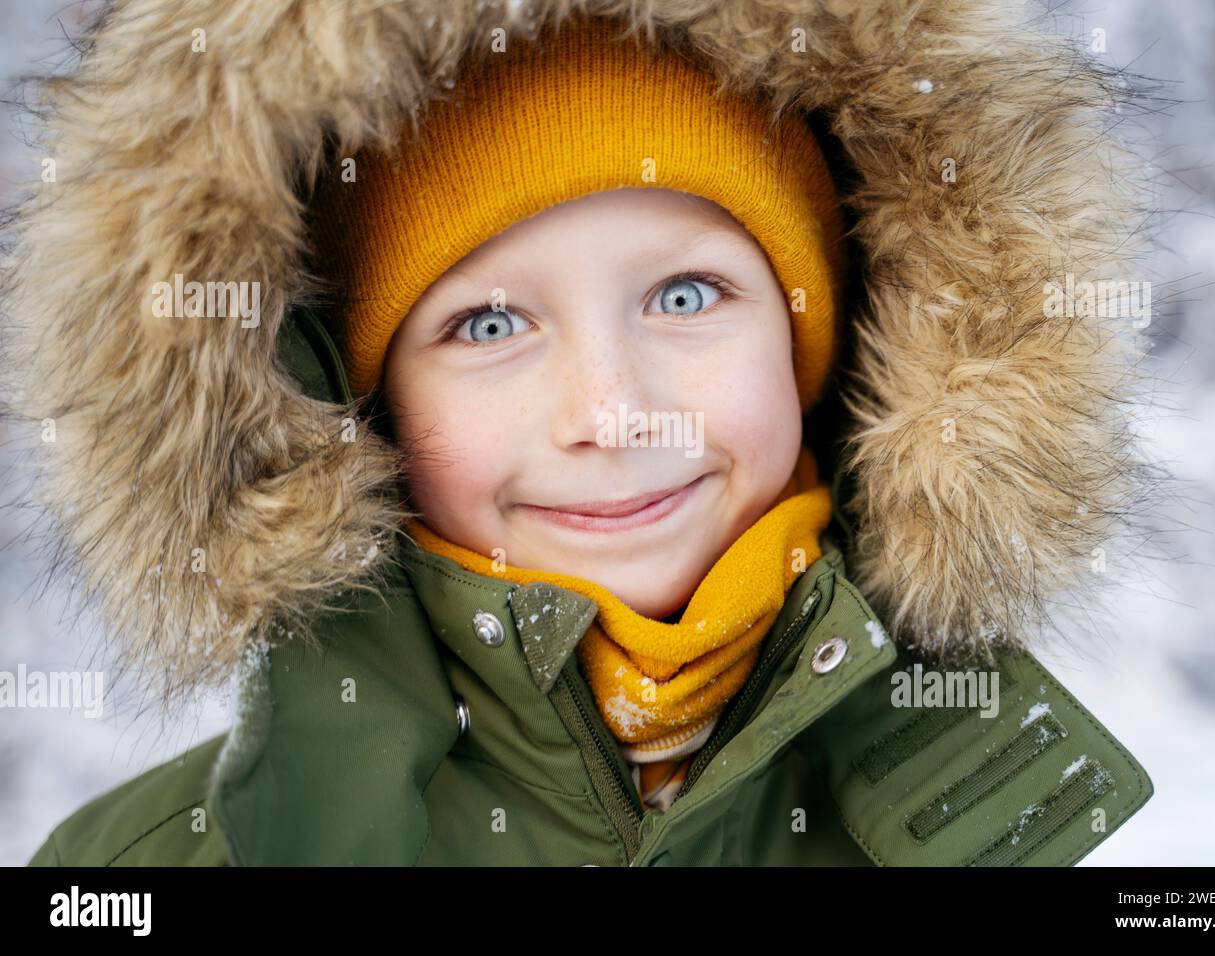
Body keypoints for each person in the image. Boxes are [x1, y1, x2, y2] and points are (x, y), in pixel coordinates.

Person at [13, 4, 1153, 866]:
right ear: (348, 410)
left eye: (687, 295)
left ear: (845, 335)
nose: (612, 413)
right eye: (489, 322)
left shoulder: (983, 809)